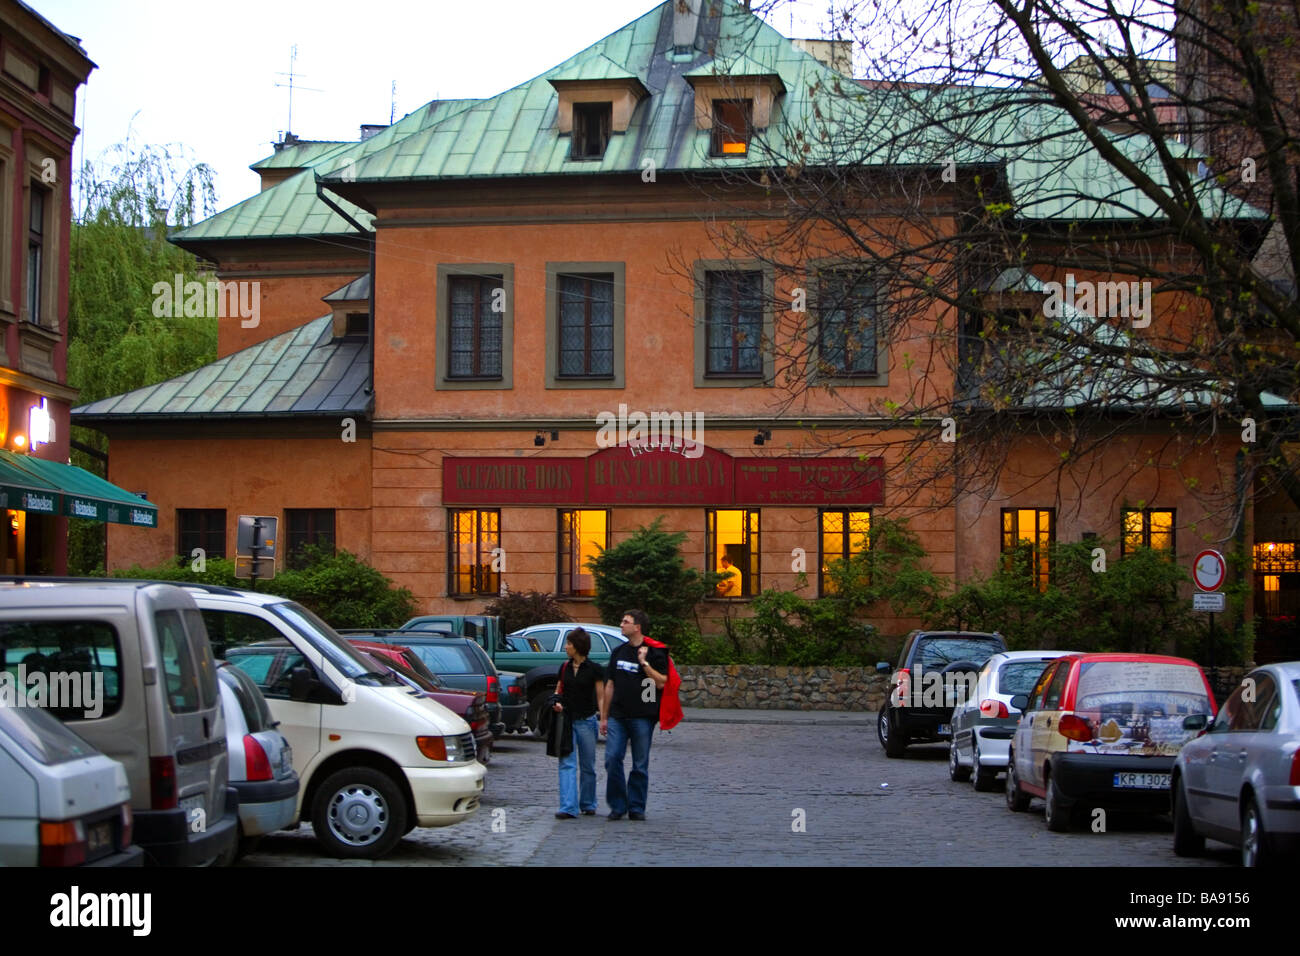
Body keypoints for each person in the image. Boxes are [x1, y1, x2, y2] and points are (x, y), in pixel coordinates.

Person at [600, 609, 669, 820]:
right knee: (612, 758)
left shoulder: (656, 652)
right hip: (618, 715)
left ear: (637, 627)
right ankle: (618, 805)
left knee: (640, 764)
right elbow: (609, 685)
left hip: (642, 716)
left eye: (625, 621)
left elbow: (660, 683)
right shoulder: (618, 652)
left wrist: (644, 663)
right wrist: (604, 716)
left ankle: (637, 807)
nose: (621, 624)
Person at [553, 627, 605, 819]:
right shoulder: (564, 668)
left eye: (568, 643)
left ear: (578, 646)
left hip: (587, 721)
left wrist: (603, 718)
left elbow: (601, 697)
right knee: (567, 763)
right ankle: (568, 807)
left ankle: (588, 803)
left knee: (587, 765)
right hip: (567, 721)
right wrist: (556, 703)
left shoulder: (594, 669)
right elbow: (558, 691)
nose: (566, 647)